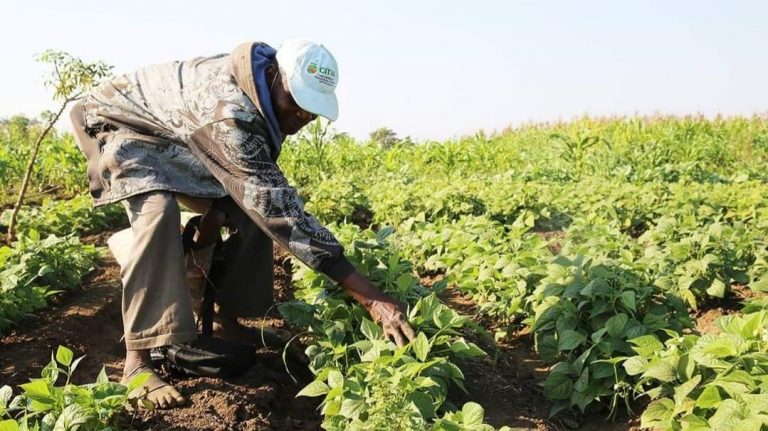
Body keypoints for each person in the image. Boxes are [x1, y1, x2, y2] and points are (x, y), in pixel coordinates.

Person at [69, 39, 415, 409]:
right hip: (114, 123)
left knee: (247, 210)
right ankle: (137, 364)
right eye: (297, 102)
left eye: (312, 109)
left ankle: (225, 320)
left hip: (173, 133)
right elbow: (278, 208)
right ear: (274, 76)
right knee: (158, 213)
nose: (303, 115)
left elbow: (247, 182)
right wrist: (373, 299)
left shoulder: (260, 97)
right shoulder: (229, 112)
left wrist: (219, 212)